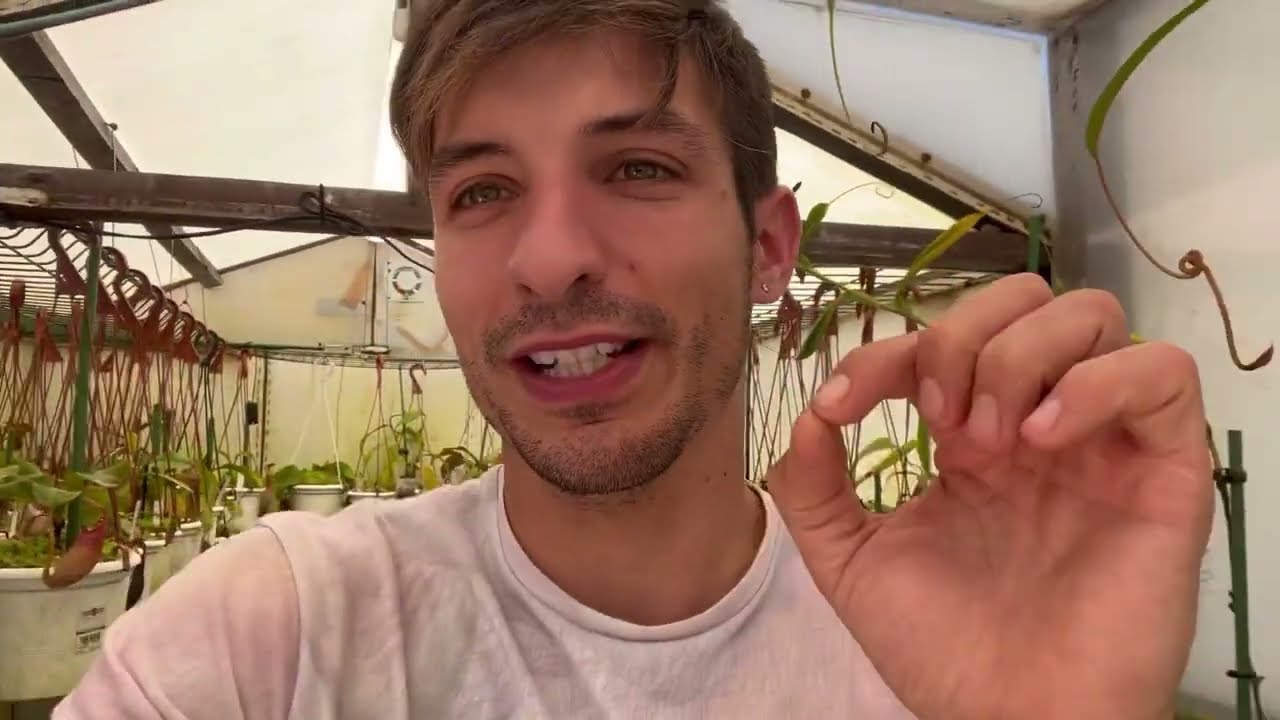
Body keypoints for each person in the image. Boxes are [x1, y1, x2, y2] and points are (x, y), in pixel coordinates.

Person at [55, 1, 1214, 718]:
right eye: (483, 191)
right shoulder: (276, 638)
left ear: (768, 248)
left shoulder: (928, 644)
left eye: (638, 169)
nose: (549, 258)